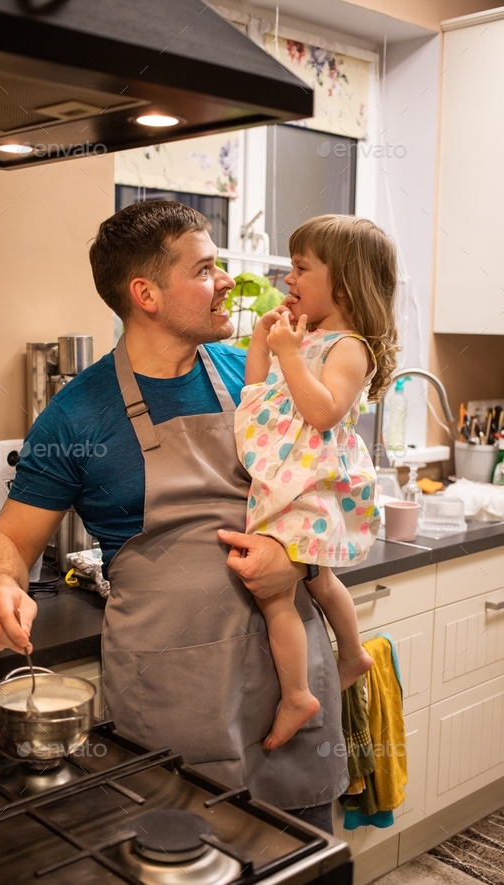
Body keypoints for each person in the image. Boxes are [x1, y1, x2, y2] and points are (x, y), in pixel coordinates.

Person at [0, 201, 348, 834]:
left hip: (285, 673)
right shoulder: (76, 415)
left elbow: (332, 495)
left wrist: (298, 560)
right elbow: (8, 538)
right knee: (175, 857)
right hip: (172, 693)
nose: (226, 281)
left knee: (303, 857)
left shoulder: (257, 379)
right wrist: (1, 587)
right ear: (145, 293)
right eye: (205, 269)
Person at [235, 214, 399, 751]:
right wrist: (265, 340)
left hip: (316, 484)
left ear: (346, 282)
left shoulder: (348, 347)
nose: (289, 278)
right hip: (292, 479)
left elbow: (324, 412)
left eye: (301, 268)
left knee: (282, 589)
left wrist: (288, 352)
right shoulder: (309, 337)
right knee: (316, 580)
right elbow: (257, 389)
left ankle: (298, 693)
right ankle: (350, 654)